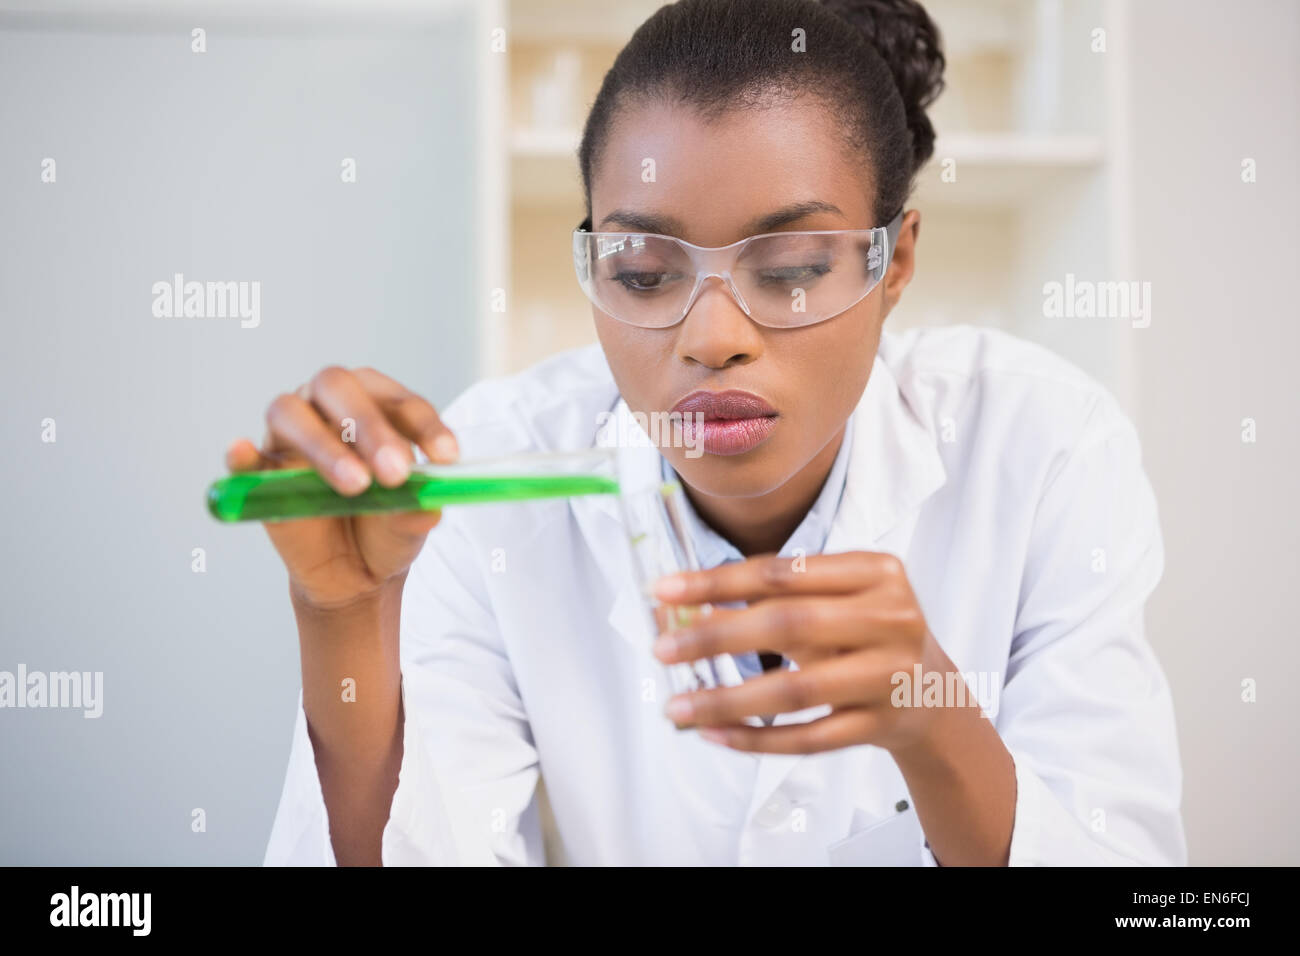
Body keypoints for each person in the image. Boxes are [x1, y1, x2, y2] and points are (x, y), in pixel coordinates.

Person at [244, 0, 1186, 865]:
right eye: (646, 272)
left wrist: (938, 723)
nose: (713, 339)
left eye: (791, 267)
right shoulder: (486, 466)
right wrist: (342, 617)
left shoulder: (1045, 446)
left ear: (893, 263)